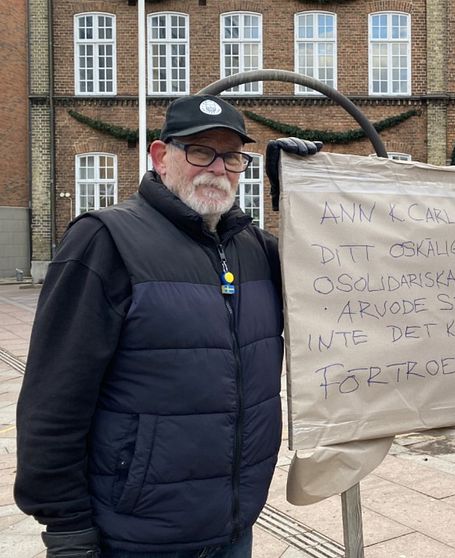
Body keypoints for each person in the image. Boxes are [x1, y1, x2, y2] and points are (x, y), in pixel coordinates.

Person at [15, 94, 320, 556]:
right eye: (201, 151)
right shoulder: (106, 240)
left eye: (232, 156)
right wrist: (67, 530)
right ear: (161, 156)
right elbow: (54, 399)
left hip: (234, 524)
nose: (217, 168)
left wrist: (307, 191)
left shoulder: (254, 250)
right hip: (139, 534)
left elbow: (337, 284)